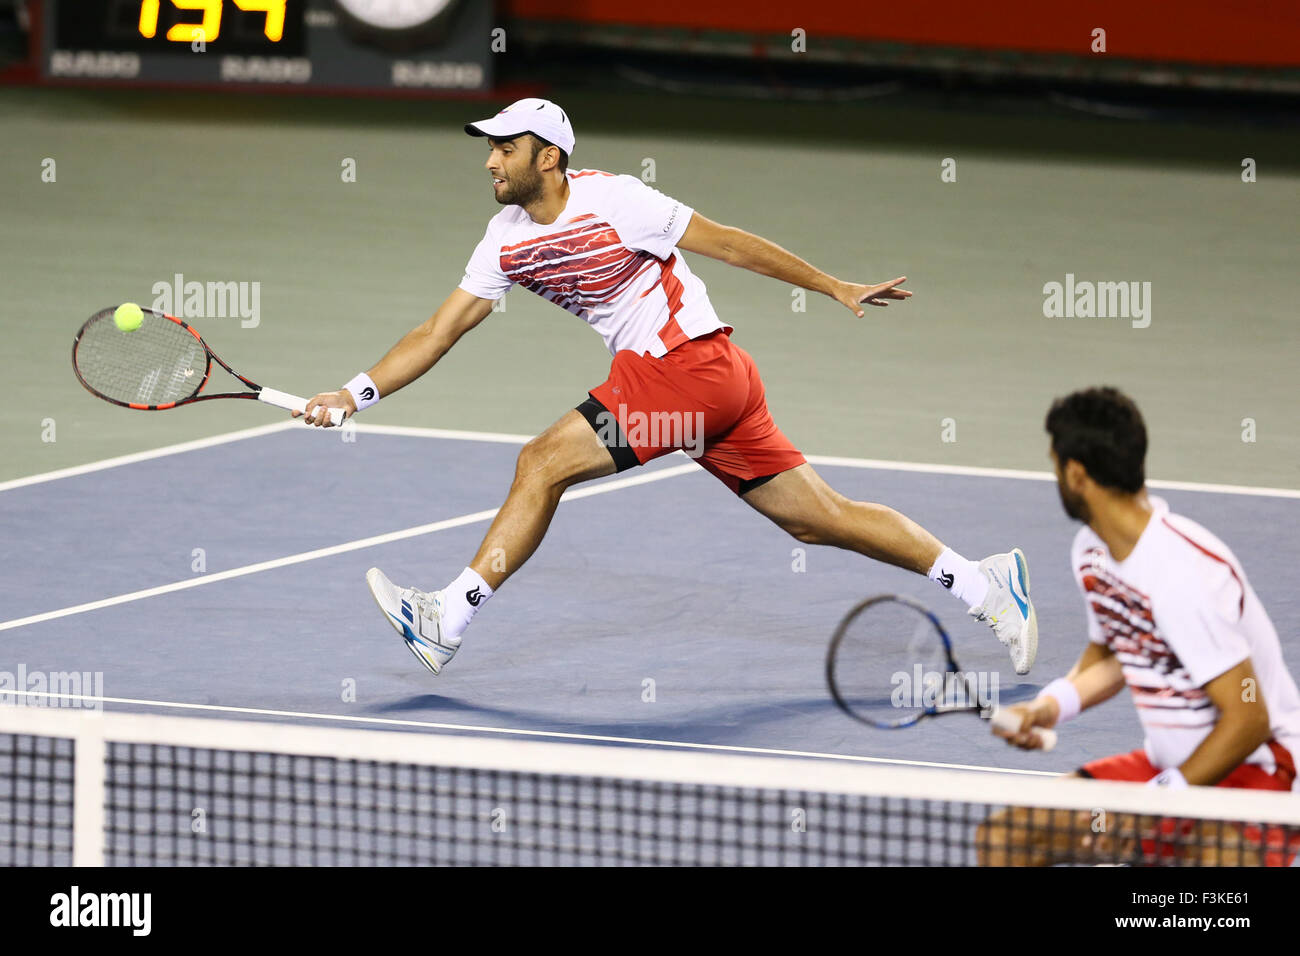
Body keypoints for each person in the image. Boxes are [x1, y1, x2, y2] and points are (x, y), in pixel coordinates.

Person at [297, 98, 1038, 677]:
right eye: (489, 147)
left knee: (542, 462)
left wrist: (831, 285)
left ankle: (446, 620)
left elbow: (729, 242)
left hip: (688, 376)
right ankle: (984, 586)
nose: (490, 160)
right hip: (713, 390)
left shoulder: (617, 199)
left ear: (548, 158)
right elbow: (439, 330)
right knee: (818, 520)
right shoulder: (504, 239)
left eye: (504, 148)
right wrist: (351, 393)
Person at [982, 386, 1300, 865]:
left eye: (1055, 465)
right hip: (1172, 767)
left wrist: (1156, 801)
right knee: (1007, 838)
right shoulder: (1092, 551)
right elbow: (1112, 654)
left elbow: (1248, 719)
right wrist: (1051, 706)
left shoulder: (1186, 577)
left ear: (1076, 474)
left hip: (1256, 773)